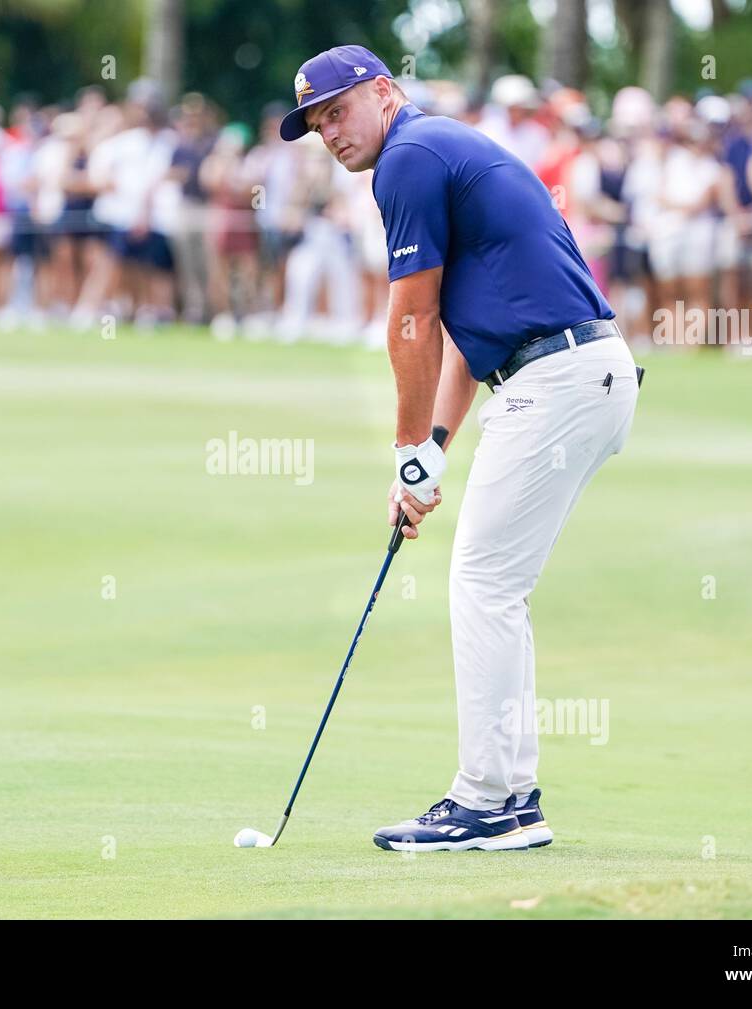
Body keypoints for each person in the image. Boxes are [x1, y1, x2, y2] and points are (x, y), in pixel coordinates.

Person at [279, 45, 642, 852]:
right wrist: (433, 450)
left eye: (337, 112)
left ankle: (488, 799)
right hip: (570, 371)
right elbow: (463, 341)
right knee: (494, 585)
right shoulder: (437, 148)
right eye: (314, 124)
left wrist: (406, 453)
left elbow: (410, 321)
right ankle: (508, 799)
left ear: (384, 92)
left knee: (483, 584)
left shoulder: (405, 159)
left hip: (560, 376)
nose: (328, 134)